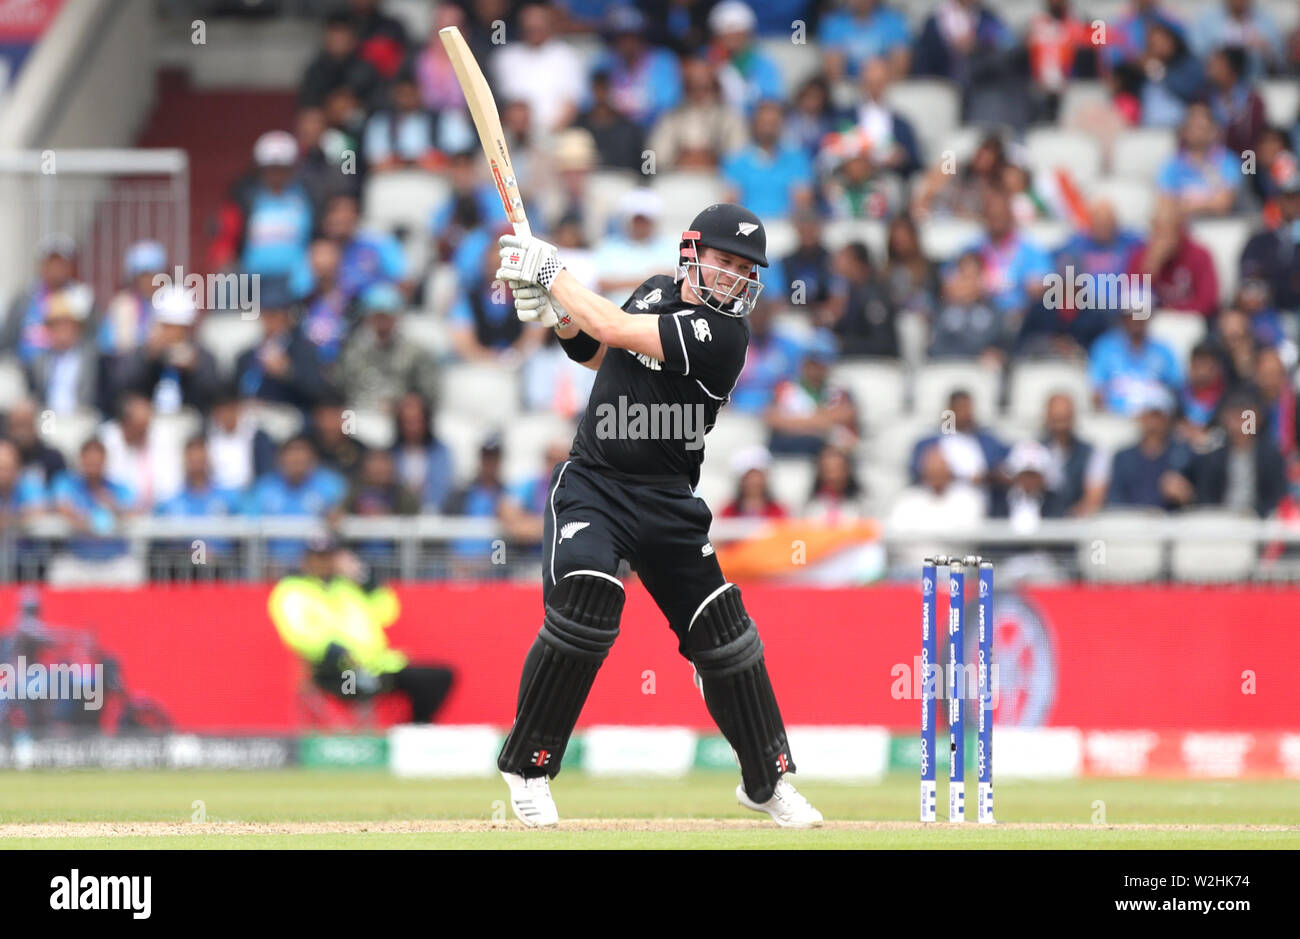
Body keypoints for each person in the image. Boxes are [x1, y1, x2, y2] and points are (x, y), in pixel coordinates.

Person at [492, 202, 823, 828]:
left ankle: (767, 783)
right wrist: (556, 312)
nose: (735, 276)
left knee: (726, 641)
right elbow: (597, 350)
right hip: (596, 485)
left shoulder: (726, 337)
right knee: (589, 602)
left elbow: (619, 331)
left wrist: (553, 271)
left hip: (669, 501)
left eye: (745, 268)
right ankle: (528, 766)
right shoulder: (651, 292)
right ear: (691, 252)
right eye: (725, 261)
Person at [269, 535, 455, 724]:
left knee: (437, 679)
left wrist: (363, 579)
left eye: (328, 557)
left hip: (377, 666)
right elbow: (299, 633)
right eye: (318, 557)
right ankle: (357, 740)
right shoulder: (292, 590)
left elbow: (387, 612)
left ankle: (411, 734)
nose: (323, 563)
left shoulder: (350, 585)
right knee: (359, 688)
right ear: (306, 560)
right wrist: (337, 652)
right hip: (337, 672)